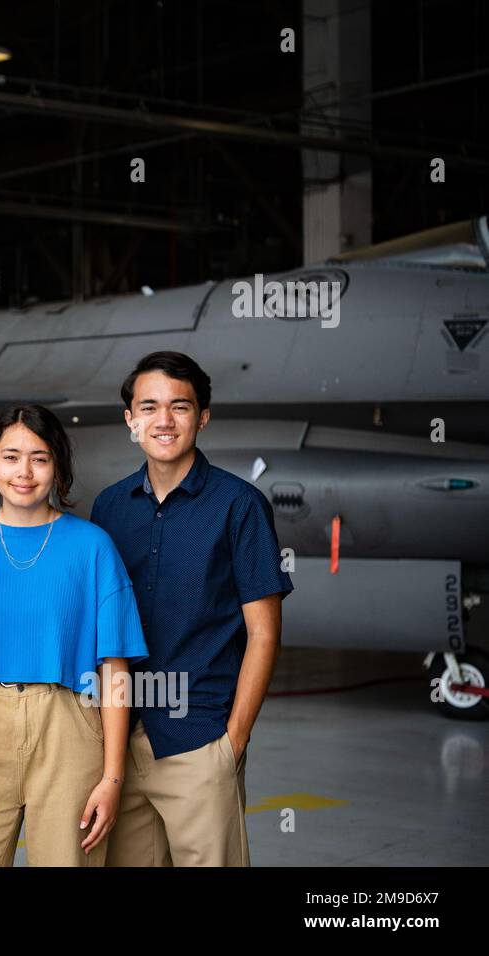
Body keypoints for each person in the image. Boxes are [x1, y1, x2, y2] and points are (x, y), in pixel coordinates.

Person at [91, 351, 293, 867]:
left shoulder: (239, 505)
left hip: (201, 739)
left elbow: (264, 634)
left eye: (180, 407)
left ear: (202, 417)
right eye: (150, 407)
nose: (164, 420)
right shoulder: (109, 508)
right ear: (130, 419)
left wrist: (234, 741)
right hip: (120, 741)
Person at [0, 404, 147, 866]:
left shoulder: (92, 546)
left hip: (70, 728)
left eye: (40, 457)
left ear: (58, 466)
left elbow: (114, 669)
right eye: (12, 457)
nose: (25, 472)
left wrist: (113, 777)